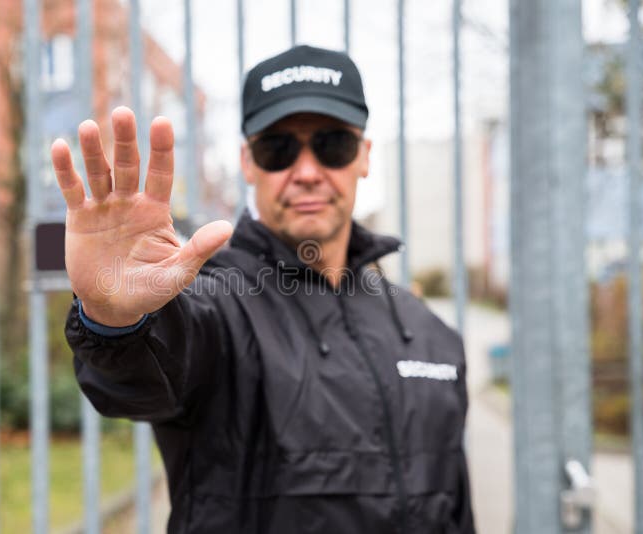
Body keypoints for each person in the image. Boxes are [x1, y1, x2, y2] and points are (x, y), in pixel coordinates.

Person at [52, 45, 475, 534]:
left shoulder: (429, 335)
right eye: (279, 148)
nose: (308, 171)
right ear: (248, 163)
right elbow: (145, 370)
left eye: (333, 144)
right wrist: (114, 319)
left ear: (364, 156)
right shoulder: (221, 303)